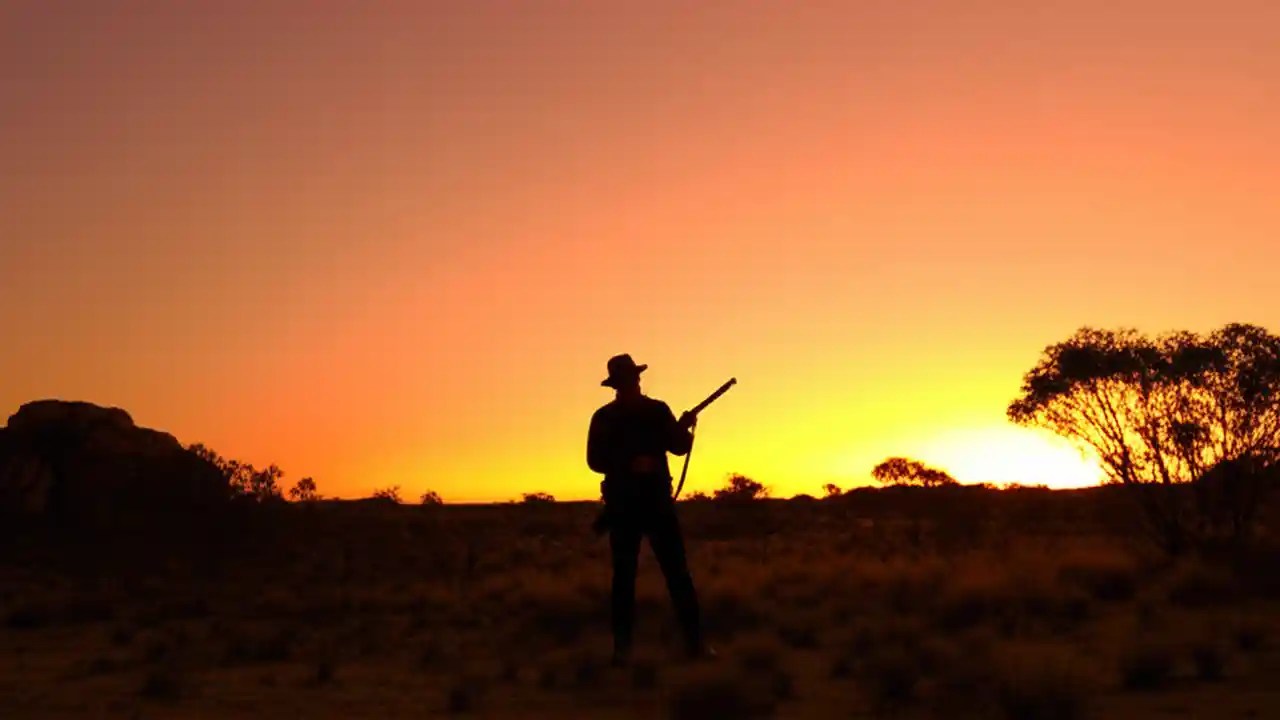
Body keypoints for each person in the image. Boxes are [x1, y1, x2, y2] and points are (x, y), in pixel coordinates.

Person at [587, 353, 710, 665]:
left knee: (678, 575)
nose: (632, 383)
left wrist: (685, 428)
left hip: (656, 503)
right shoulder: (604, 418)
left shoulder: (657, 411)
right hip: (624, 506)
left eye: (633, 378)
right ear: (618, 383)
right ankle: (622, 651)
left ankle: (695, 646)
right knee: (625, 579)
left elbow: (678, 447)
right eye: (627, 379)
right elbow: (594, 461)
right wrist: (629, 463)